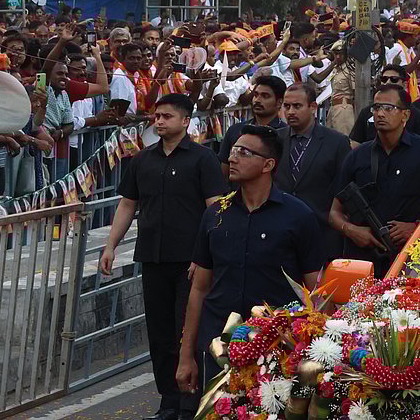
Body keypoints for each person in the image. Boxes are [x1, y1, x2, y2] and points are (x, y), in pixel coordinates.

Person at [99, 94, 225, 420]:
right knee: (160, 334)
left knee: (188, 331)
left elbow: (215, 208)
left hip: (191, 262)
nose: (159, 122)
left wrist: (207, 253)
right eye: (156, 116)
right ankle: (168, 401)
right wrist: (111, 245)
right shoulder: (142, 161)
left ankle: (189, 401)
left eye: (167, 116)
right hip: (153, 258)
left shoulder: (203, 159)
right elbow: (128, 204)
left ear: (185, 121)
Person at [175, 124, 325, 393]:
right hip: (218, 345)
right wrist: (186, 356)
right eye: (233, 151)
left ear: (268, 164)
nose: (232, 158)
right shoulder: (215, 215)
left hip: (277, 346)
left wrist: (319, 350)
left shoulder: (298, 216)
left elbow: (316, 289)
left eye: (243, 153)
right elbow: (199, 289)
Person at [330, 84, 420, 275]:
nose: (380, 114)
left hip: (409, 258)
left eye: (389, 108)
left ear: (405, 115)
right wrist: (352, 231)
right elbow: (334, 213)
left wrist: (416, 228)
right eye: (376, 108)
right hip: (362, 261)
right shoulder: (357, 156)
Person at [275, 82, 351, 262]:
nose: (291, 112)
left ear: (313, 107)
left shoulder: (336, 142)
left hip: (322, 233)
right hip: (280, 233)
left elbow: (344, 189)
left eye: (297, 106)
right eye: (287, 106)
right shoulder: (275, 139)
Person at [218, 73, 287, 179]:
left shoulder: (285, 134)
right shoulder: (235, 130)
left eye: (265, 96)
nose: (257, 100)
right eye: (255, 95)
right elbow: (223, 173)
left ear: (279, 103)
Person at [347, 64, 420, 144]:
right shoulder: (367, 112)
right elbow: (355, 143)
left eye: (394, 79)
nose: (388, 82)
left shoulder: (417, 116)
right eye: (384, 79)